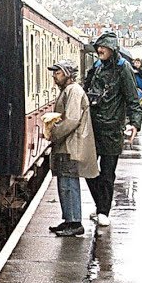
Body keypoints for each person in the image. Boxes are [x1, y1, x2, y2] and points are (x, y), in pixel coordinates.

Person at [82, 31, 141, 227]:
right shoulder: (97, 67)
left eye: (104, 47)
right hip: (93, 127)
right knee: (88, 169)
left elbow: (133, 99)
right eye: (99, 46)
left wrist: (135, 123)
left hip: (112, 129)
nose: (100, 50)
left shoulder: (123, 69)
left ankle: (103, 211)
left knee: (107, 173)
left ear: (112, 49)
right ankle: (101, 205)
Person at [46, 59, 98, 237]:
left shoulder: (73, 91)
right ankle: (69, 219)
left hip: (71, 145)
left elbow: (71, 119)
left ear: (68, 74)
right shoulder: (68, 90)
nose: (54, 76)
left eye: (58, 72)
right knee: (64, 182)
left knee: (69, 183)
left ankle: (75, 222)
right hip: (67, 144)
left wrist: (53, 132)